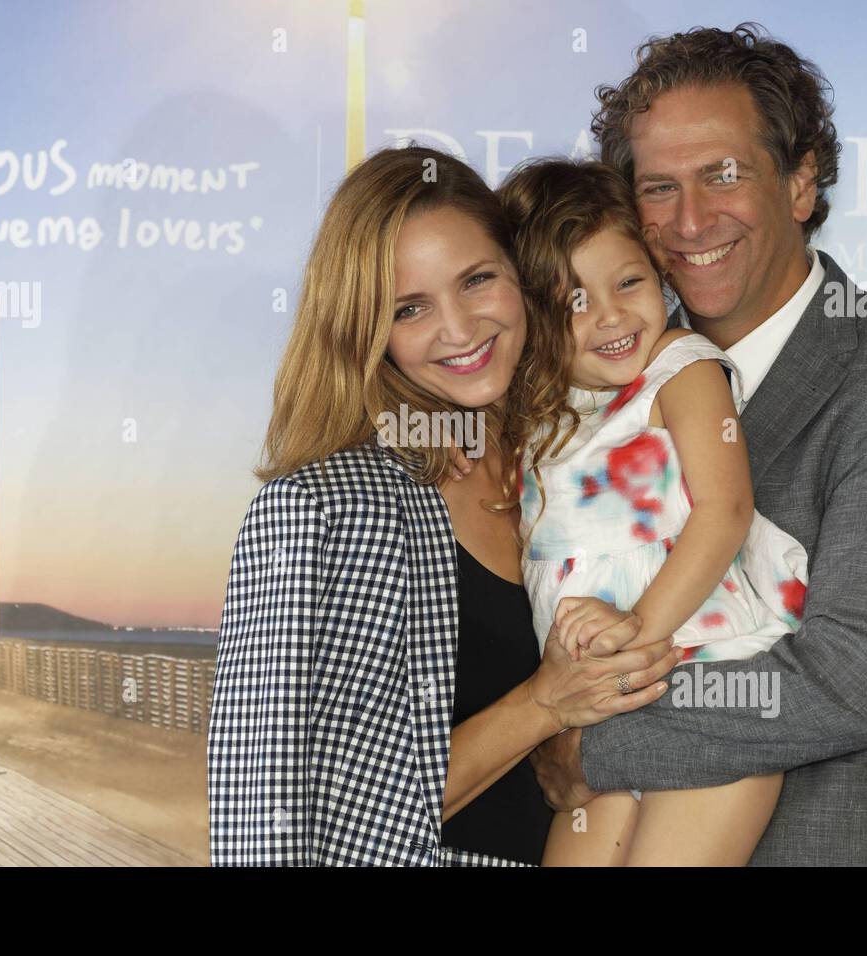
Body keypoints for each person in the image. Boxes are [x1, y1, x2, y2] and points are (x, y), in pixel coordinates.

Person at [529, 23, 867, 865]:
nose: (691, 219)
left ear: (802, 181)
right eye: (658, 188)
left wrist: (594, 744)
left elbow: (853, 683)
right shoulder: (594, 374)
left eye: (723, 176)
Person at [207, 145, 677, 867]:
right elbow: (270, 820)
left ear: (526, 282)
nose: (459, 330)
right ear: (366, 330)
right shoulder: (324, 510)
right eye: (410, 307)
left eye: (478, 280)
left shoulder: (567, 459)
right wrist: (544, 703)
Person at [498, 158, 808, 865]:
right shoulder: (536, 416)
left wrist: (638, 631)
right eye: (571, 301)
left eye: (628, 282)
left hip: (708, 679)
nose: (609, 315)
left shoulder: (679, 367)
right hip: (600, 707)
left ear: (659, 276)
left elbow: (725, 511)